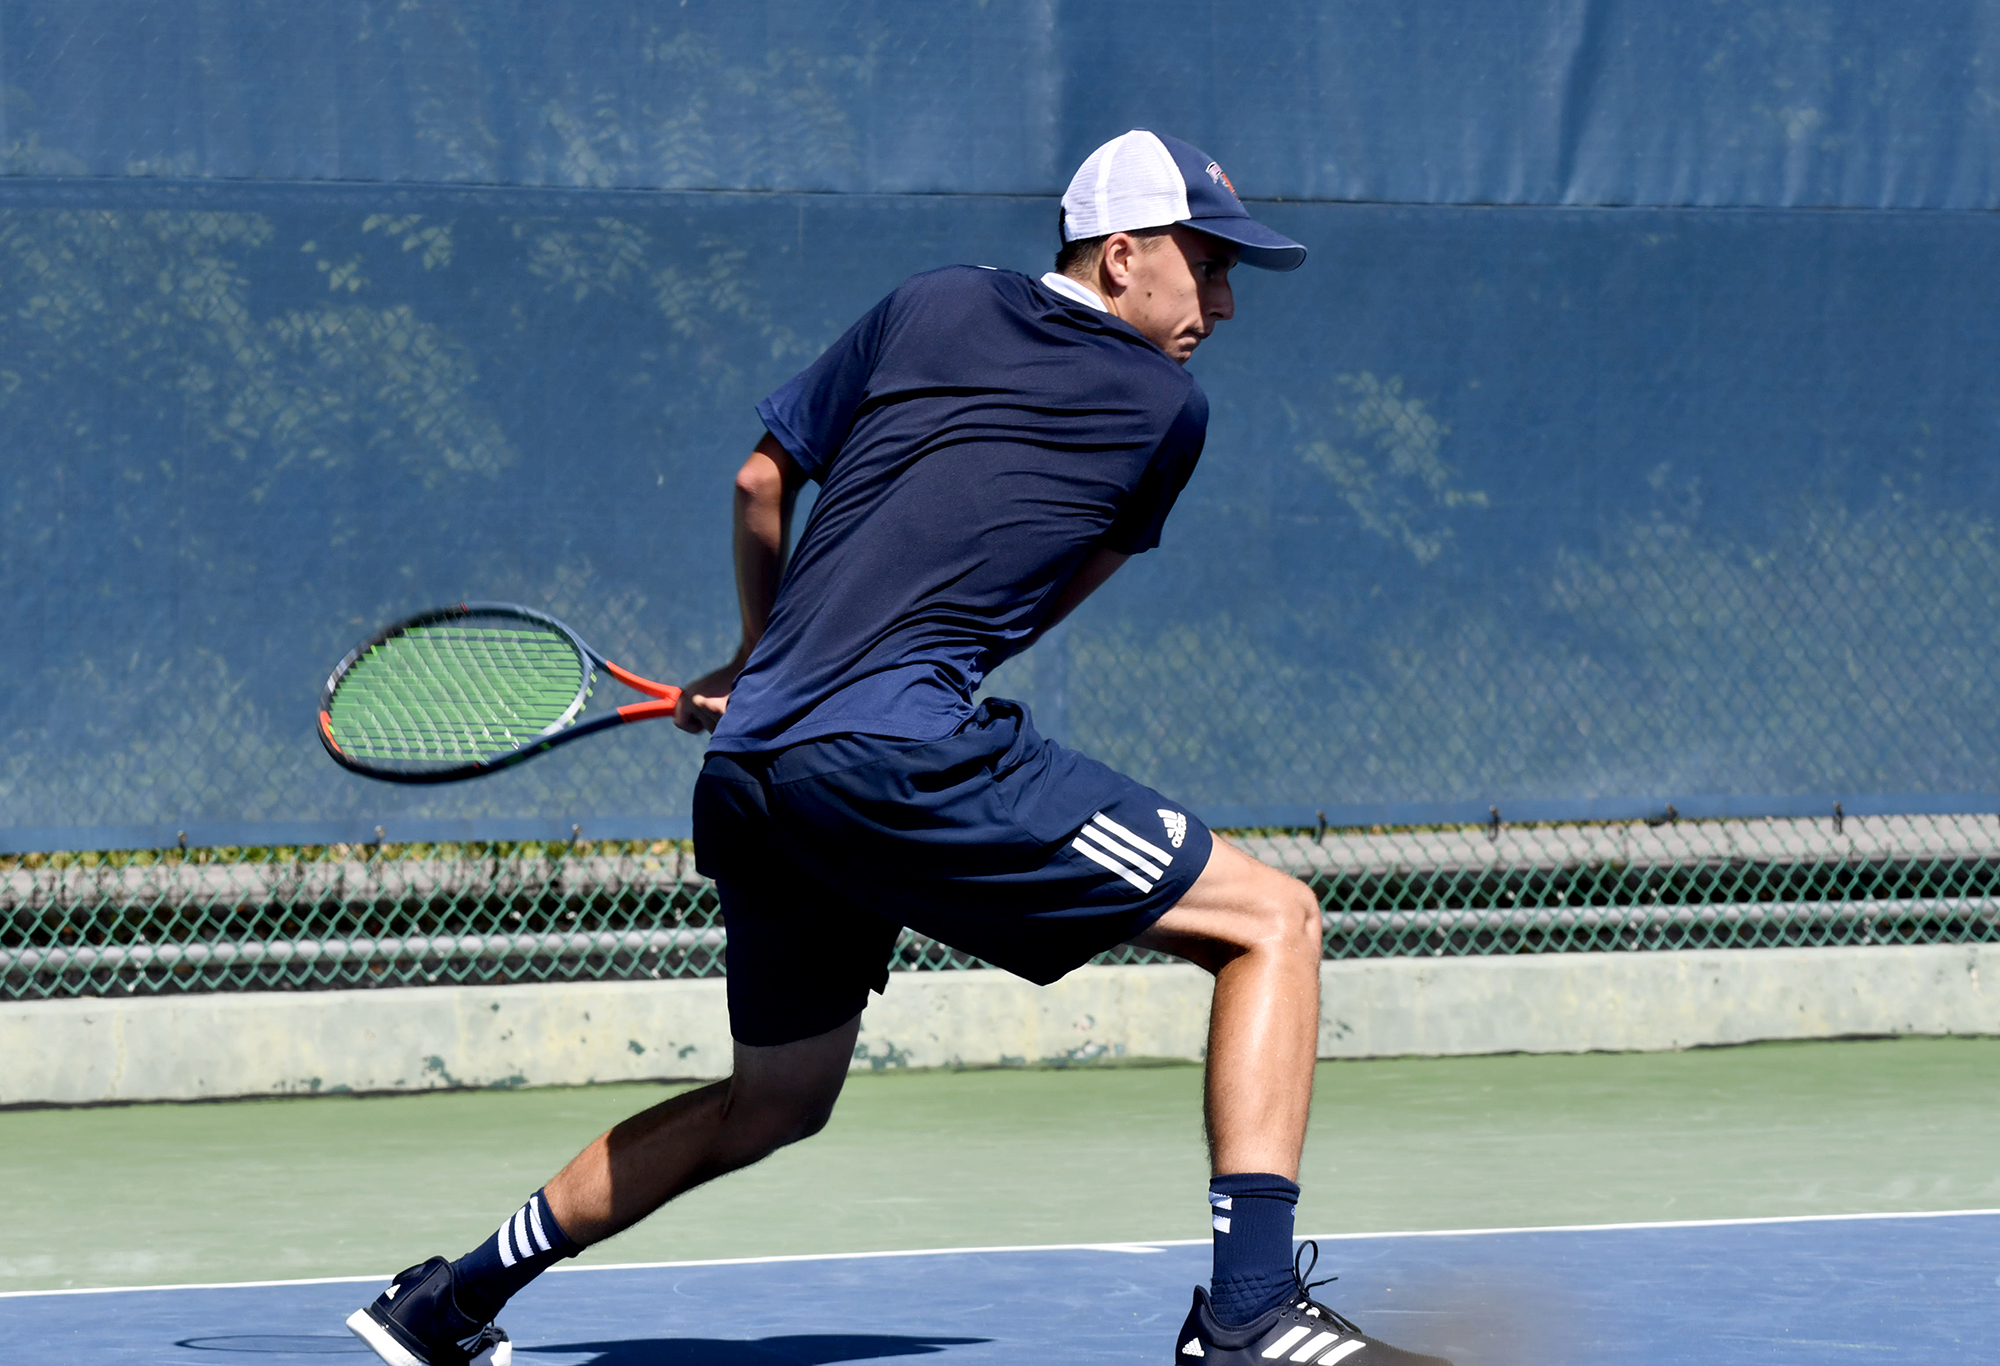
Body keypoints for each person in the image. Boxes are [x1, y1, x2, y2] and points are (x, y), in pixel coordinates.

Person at [346, 129, 1452, 1366]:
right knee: (1273, 923)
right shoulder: (1162, 411)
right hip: (893, 754)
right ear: (1123, 252)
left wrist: (762, 664)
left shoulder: (925, 302)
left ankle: (443, 1302)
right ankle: (1250, 1311)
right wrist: (833, 684)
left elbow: (761, 481)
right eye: (1208, 265)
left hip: (755, 773)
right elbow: (1015, 613)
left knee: (772, 1101)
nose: (1227, 303)